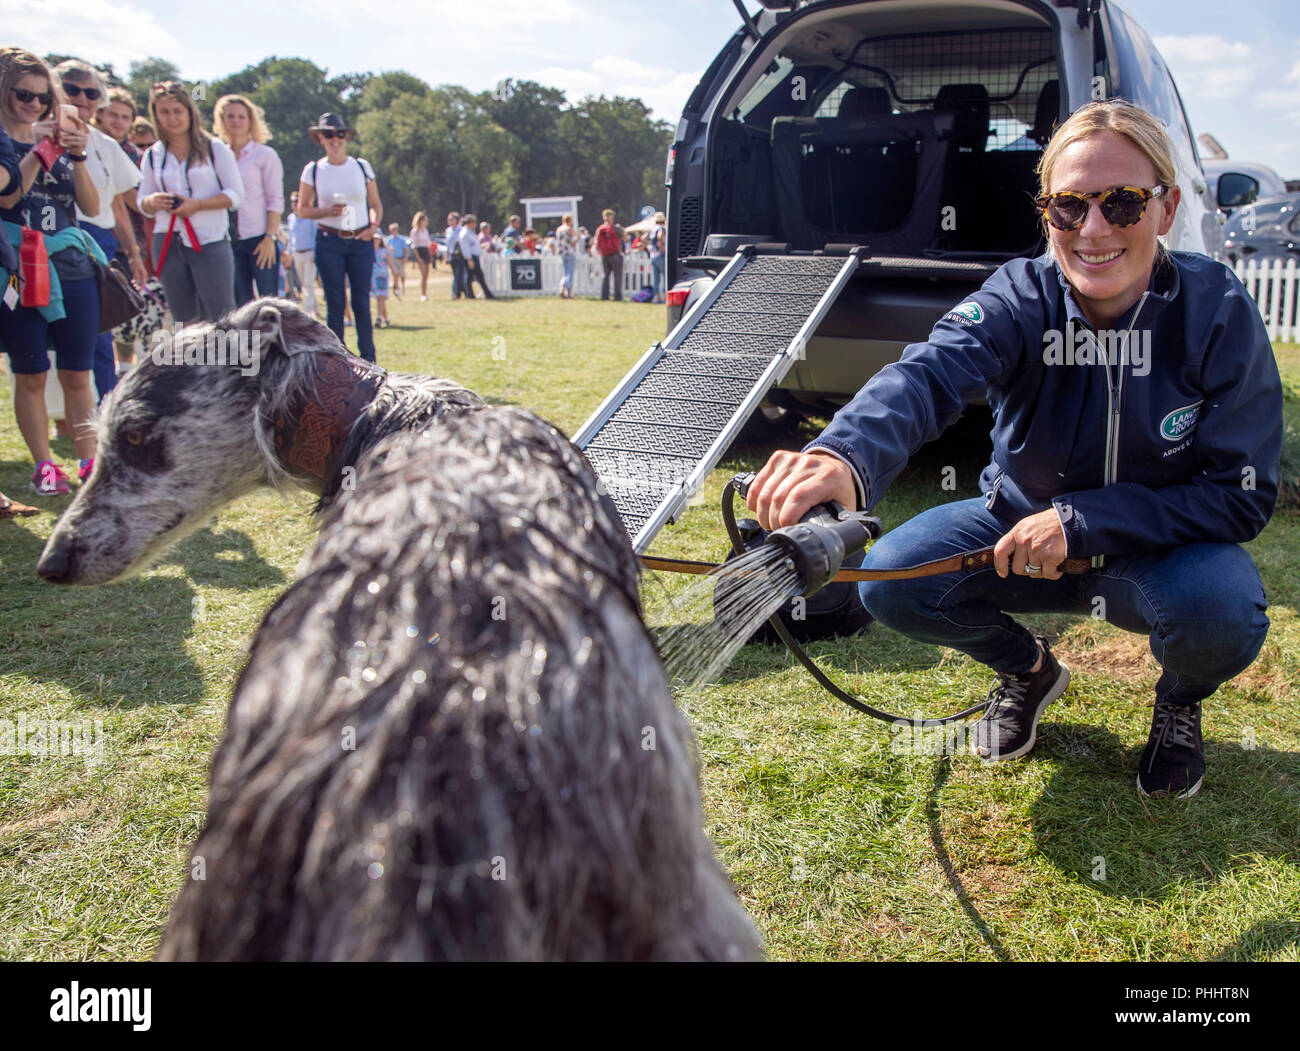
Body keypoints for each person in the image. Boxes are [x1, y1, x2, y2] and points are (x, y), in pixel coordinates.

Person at [746, 100, 1282, 799]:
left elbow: (1240, 494)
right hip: (1014, 535)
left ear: (1167, 206)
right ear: (1046, 213)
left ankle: (1179, 700)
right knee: (890, 579)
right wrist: (843, 455)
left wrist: (1083, 522)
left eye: (1122, 203)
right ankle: (1029, 669)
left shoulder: (1217, 309)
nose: (1093, 229)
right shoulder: (1018, 295)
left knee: (1224, 610)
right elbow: (929, 373)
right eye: (1068, 207)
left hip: (1158, 555)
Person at [0, 48, 101, 494]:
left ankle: (88, 462)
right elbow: (8, 196)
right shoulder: (4, 142)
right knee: (31, 371)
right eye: (23, 93)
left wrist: (75, 155)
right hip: (18, 268)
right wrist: (38, 149)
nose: (33, 104)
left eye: (42, 97)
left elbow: (93, 207)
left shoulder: (66, 136)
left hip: (71, 265)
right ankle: (44, 466)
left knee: (78, 372)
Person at [56, 59, 145, 403]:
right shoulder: (32, 134)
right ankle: (62, 417)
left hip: (97, 244)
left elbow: (119, 203)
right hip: (48, 239)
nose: (82, 97)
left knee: (97, 335)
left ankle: (105, 407)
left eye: (91, 91)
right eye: (72, 88)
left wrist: (134, 252)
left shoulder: (106, 146)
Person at [137, 81, 243, 324]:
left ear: (189, 113)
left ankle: (228, 362)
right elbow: (142, 200)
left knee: (222, 315)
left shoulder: (215, 148)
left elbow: (236, 195)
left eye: (177, 111)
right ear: (155, 115)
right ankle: (192, 362)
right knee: (183, 318)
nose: (172, 118)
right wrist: (154, 201)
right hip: (167, 238)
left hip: (209, 239)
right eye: (164, 112)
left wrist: (198, 205)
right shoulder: (153, 154)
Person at [295, 112, 382, 363]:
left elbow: (376, 204)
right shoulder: (313, 170)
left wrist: (373, 226)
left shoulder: (361, 166)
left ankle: (369, 360)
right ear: (320, 138)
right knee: (335, 302)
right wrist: (327, 211)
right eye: (329, 134)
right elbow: (302, 209)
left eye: (340, 134)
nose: (335, 139)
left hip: (360, 240)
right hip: (329, 240)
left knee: (361, 303)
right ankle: (337, 360)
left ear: (346, 137)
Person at [214, 94, 284, 306]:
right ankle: (247, 341)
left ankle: (270, 341)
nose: (236, 121)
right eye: (230, 116)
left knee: (268, 304)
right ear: (222, 120)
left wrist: (270, 238)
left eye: (241, 117)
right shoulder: (216, 154)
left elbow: (275, 198)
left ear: (250, 121)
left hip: (260, 238)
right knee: (240, 304)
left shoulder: (264, 155)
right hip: (228, 238)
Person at [286, 190, 318, 316]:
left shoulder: (310, 218)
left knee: (309, 282)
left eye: (296, 201)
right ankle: (315, 308)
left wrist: (315, 253)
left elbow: (316, 235)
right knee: (304, 283)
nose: (294, 204)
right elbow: (291, 237)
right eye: (293, 202)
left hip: (309, 253)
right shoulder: (290, 218)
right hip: (297, 253)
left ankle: (309, 311)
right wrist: (289, 253)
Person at [459, 212, 494, 299]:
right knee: (473, 277)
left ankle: (472, 294)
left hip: (474, 257)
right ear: (469, 223)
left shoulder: (471, 232)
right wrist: (469, 259)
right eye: (474, 223)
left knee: (473, 276)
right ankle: (471, 294)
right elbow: (465, 248)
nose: (475, 225)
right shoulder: (465, 234)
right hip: (470, 257)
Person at [594, 208, 623, 301]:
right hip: (615, 254)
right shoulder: (616, 228)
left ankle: (604, 296)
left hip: (604, 254)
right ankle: (617, 296)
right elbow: (624, 238)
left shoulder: (600, 229)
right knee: (617, 276)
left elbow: (596, 242)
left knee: (605, 276)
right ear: (612, 217)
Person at [555, 212, 579, 299]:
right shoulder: (569, 229)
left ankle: (567, 292)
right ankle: (563, 289)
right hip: (570, 252)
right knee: (569, 273)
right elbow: (574, 240)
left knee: (566, 271)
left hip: (562, 253)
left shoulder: (559, 229)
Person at [444, 210, 467, 299]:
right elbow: (448, 245)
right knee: (455, 274)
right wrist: (447, 256)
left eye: (451, 219)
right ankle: (456, 292)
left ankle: (457, 292)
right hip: (453, 254)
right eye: (449, 219)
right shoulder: (448, 230)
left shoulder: (461, 229)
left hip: (460, 254)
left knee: (460, 273)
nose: (450, 221)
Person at [409, 210, 432, 298]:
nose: (426, 222)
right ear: (421, 221)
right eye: (425, 220)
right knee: (423, 275)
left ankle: (425, 293)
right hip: (419, 252)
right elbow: (414, 245)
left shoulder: (425, 231)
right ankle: (423, 294)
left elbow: (427, 243)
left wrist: (430, 255)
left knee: (426, 275)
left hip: (426, 251)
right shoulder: (415, 231)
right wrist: (418, 258)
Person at [370, 231, 390, 327]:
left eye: (377, 238)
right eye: (374, 238)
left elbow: (391, 264)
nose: (375, 240)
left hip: (382, 276)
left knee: (380, 297)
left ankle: (378, 317)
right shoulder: (368, 250)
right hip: (372, 277)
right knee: (379, 298)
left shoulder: (384, 251)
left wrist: (396, 277)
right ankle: (386, 318)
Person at [646, 210, 667, 303]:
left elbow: (643, 238)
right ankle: (664, 297)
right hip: (660, 255)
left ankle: (657, 297)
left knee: (656, 278)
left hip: (653, 255)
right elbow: (660, 236)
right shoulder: (661, 228)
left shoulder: (652, 229)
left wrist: (650, 245)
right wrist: (661, 246)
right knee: (665, 277)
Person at [385, 221, 409, 297]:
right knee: (395, 274)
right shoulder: (389, 240)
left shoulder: (401, 239)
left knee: (402, 275)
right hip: (393, 259)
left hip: (401, 259)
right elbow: (387, 250)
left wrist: (405, 258)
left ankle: (403, 287)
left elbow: (405, 249)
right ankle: (396, 289)